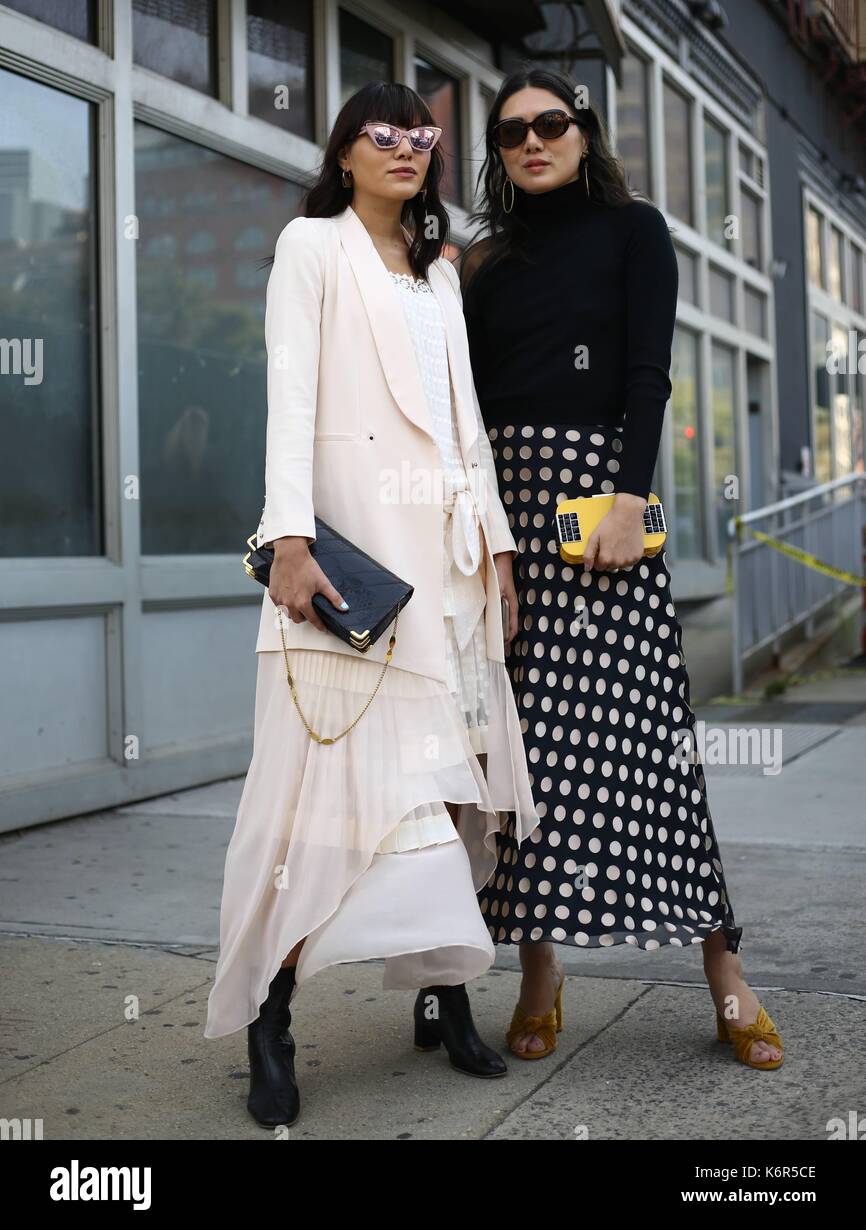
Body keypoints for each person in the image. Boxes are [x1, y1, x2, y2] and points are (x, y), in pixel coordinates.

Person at [203, 81, 538, 1127]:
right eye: (379, 135)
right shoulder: (313, 248)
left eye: (419, 136)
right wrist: (286, 542)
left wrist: (498, 556)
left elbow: (462, 426)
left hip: (446, 568)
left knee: (447, 791)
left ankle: (443, 994)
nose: (403, 149)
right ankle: (269, 1008)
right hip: (353, 571)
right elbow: (289, 396)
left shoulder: (440, 273)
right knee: (323, 807)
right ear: (344, 154)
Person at [459, 66, 784, 1070]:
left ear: (582, 130)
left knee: (649, 746)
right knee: (527, 764)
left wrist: (631, 498)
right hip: (506, 522)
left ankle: (722, 968)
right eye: (510, 132)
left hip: (599, 510)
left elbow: (647, 372)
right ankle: (538, 968)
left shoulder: (634, 230)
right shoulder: (482, 260)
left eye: (549, 123)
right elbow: (464, 404)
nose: (530, 141)